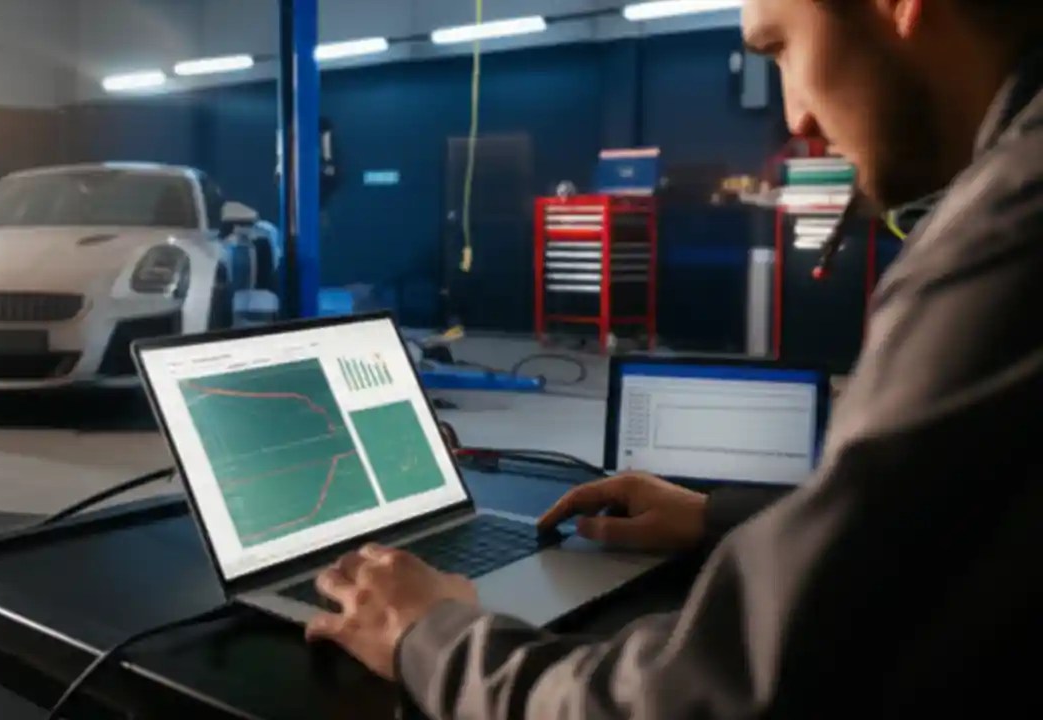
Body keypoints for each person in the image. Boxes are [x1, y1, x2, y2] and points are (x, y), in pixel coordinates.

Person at [304, 0, 1043, 717]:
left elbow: (722, 694)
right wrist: (716, 515)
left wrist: (429, 636)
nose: (797, 121)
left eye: (780, 48)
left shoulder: (1010, 228)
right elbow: (914, 533)